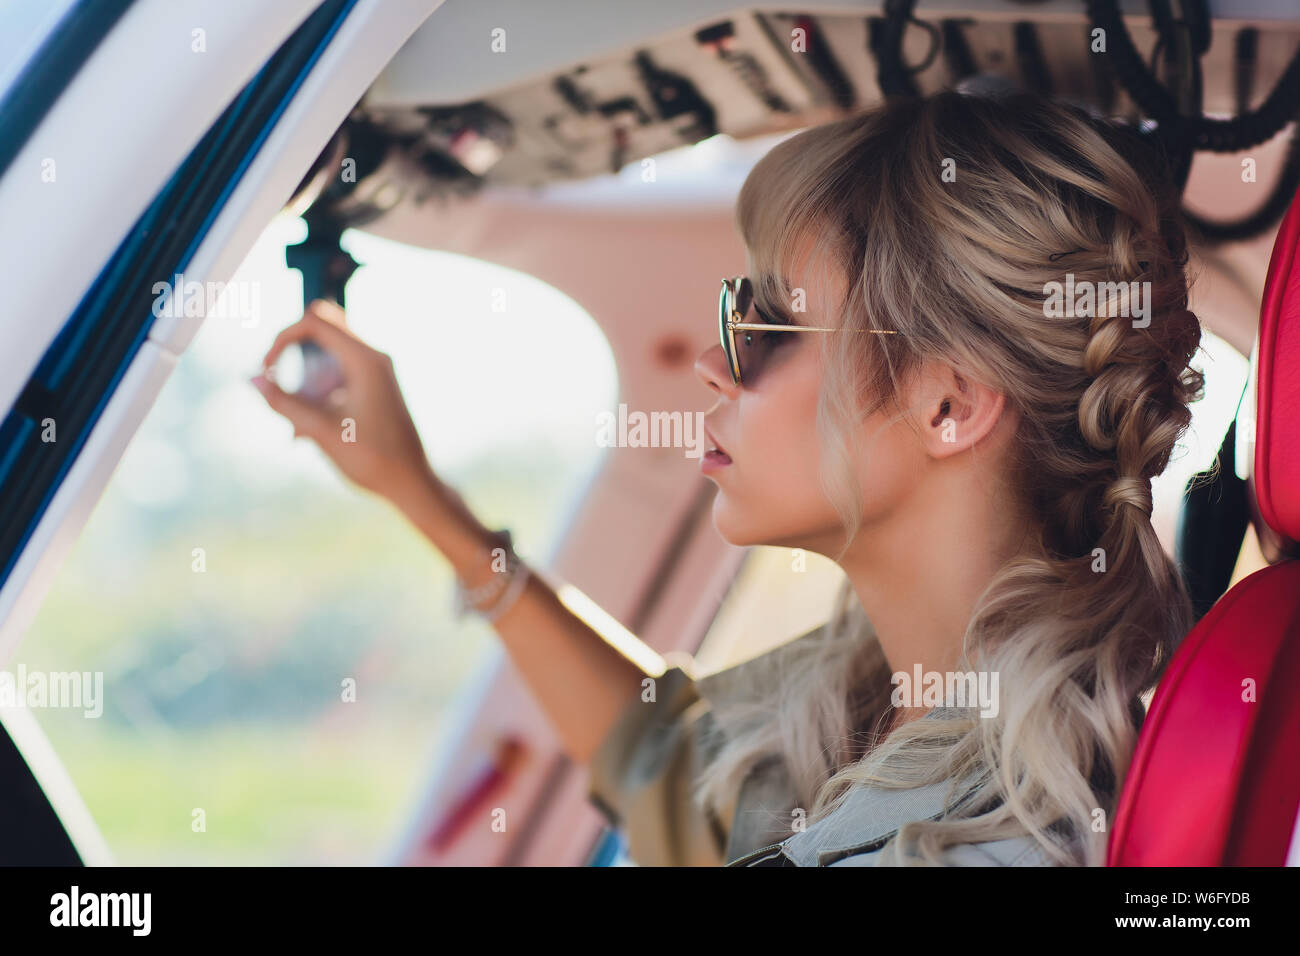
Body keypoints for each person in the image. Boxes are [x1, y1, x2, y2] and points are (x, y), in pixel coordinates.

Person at [250, 88, 1203, 867]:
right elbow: (670, 763)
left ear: (948, 406)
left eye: (767, 322)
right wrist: (416, 491)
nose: (714, 361)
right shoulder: (882, 694)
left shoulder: (990, 844)